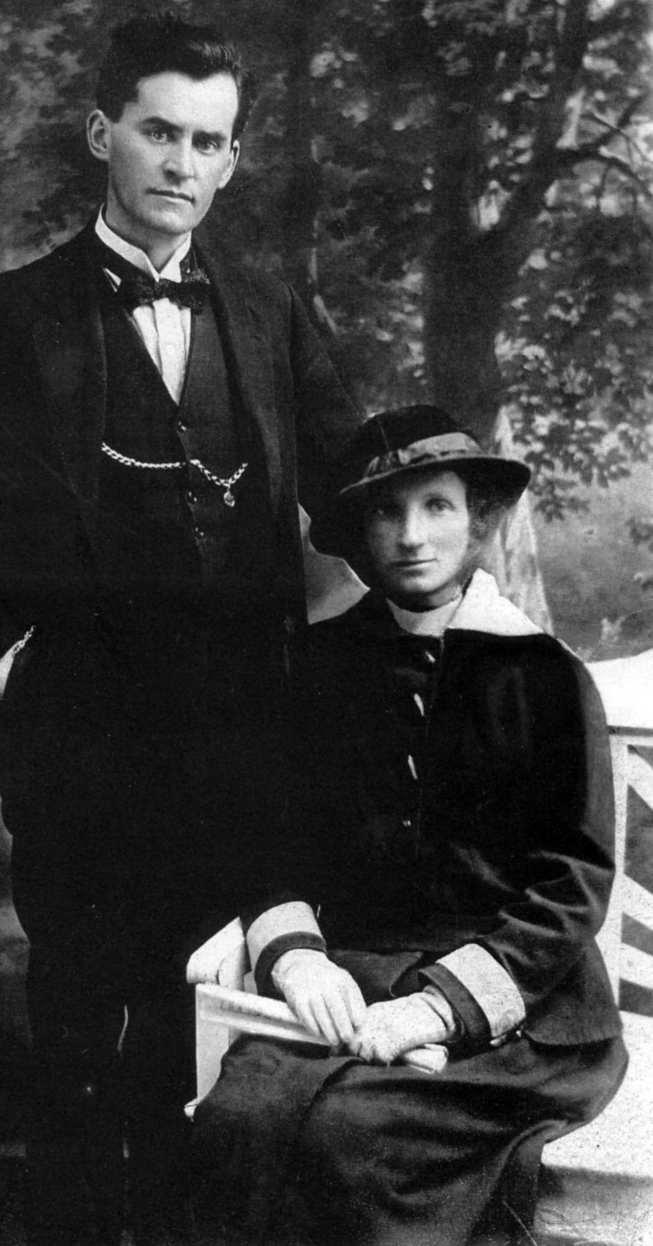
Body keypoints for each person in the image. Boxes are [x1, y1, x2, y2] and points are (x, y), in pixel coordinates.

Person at [0, 12, 361, 1246]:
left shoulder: (269, 313)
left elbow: (358, 488)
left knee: (209, 1020)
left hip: (242, 731)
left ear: (232, 159)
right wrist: (6, 667)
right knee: (83, 1027)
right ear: (104, 134)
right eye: (158, 131)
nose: (180, 162)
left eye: (207, 141)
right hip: (81, 735)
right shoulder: (4, 319)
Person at [187, 405, 627, 1246]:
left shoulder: (539, 674)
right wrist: (295, 956)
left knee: (353, 1138)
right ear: (359, 536)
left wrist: (437, 1010)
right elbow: (273, 840)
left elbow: (572, 884)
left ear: (478, 523)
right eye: (386, 512)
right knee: (241, 1119)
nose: (412, 535)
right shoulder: (319, 668)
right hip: (353, 985)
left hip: (519, 1006)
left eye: (436, 507)